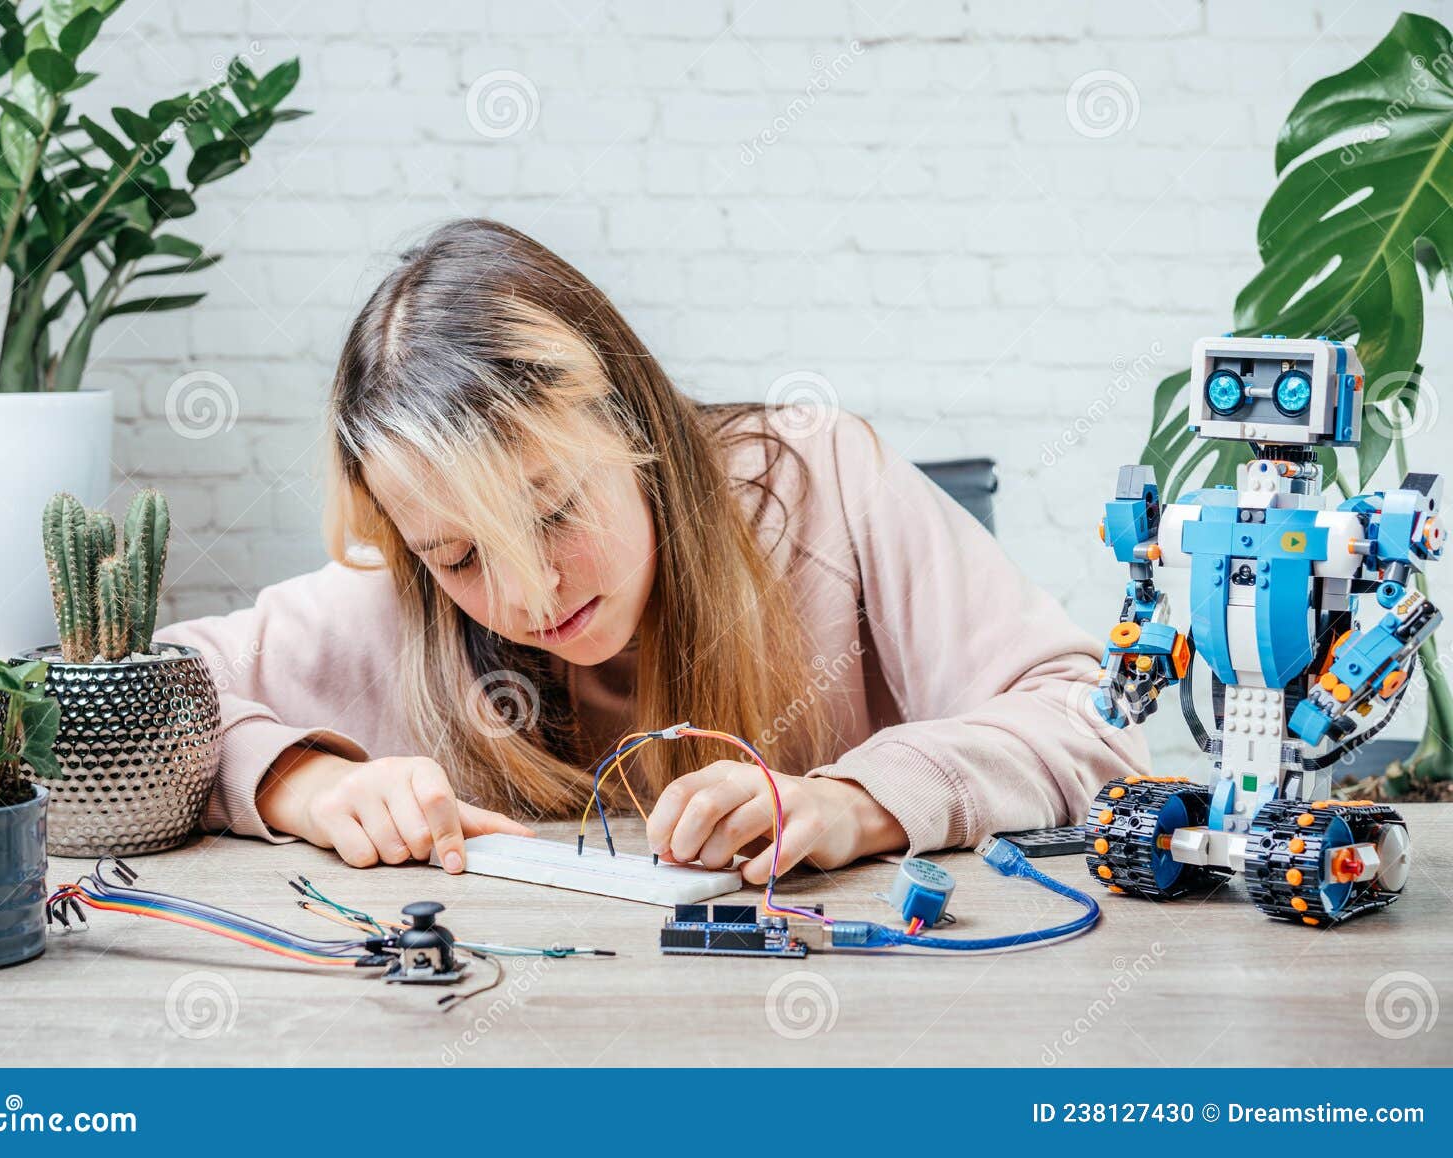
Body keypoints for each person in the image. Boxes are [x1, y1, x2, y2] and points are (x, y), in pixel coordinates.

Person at [159, 217, 1148, 883]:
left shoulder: (824, 480)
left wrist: (856, 802)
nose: (525, 591)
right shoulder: (400, 598)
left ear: (632, 421)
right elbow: (90, 706)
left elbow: (1093, 723)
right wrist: (303, 783)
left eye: (549, 511)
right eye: (459, 555)